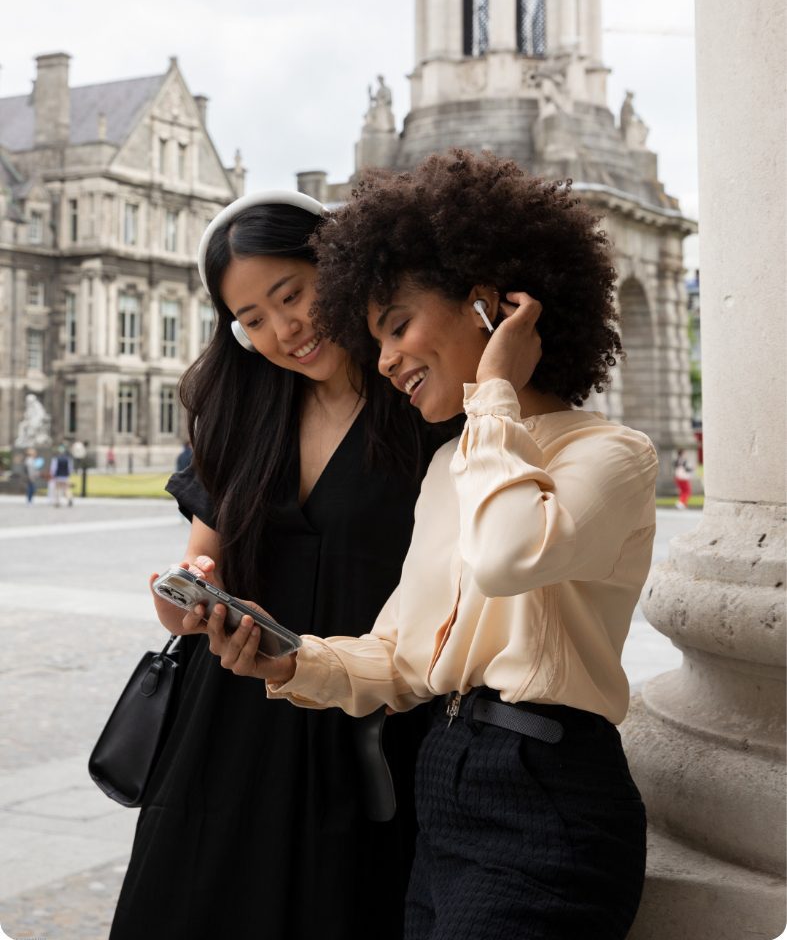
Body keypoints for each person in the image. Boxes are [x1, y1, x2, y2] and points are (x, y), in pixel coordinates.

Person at [204, 153, 659, 940]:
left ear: (488, 309)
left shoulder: (607, 454)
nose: (382, 361)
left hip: (548, 789)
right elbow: (403, 658)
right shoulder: (453, 463)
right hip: (444, 789)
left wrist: (493, 392)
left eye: (395, 326)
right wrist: (283, 658)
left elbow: (506, 555)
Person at [109, 190, 450, 940]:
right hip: (228, 727)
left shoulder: (426, 407)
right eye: (253, 318)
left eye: (291, 294)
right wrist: (190, 599)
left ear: (341, 264)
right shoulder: (239, 410)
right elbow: (205, 564)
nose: (283, 329)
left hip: (372, 724)